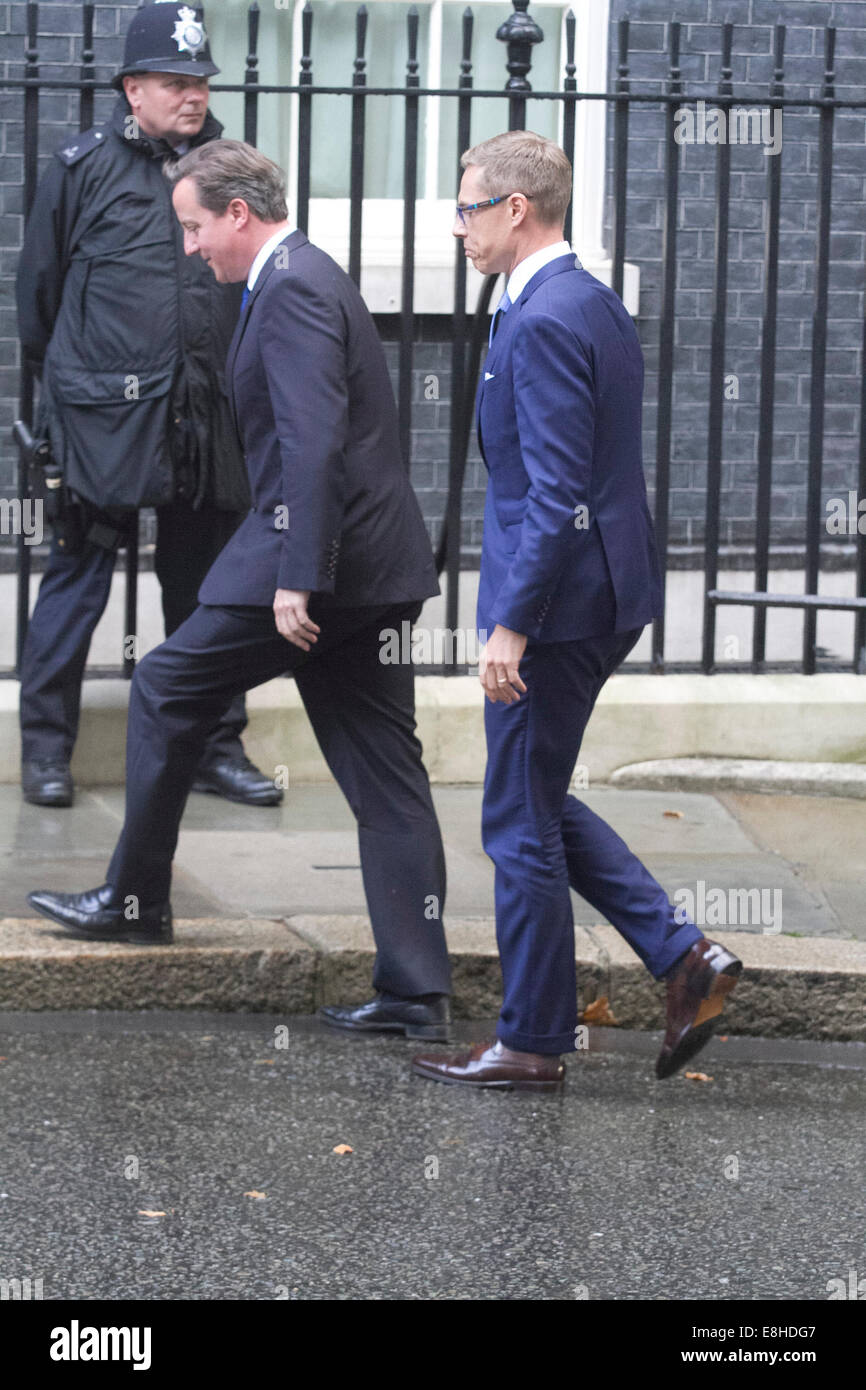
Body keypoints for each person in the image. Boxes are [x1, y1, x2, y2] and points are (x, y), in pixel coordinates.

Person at [27, 139, 453, 1042]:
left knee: (166, 682)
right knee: (386, 777)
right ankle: (416, 994)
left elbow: (313, 440)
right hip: (375, 572)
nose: (189, 248)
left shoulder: (290, 285)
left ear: (236, 214)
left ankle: (135, 900)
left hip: (318, 568)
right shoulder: (308, 270)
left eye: (192, 227)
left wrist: (300, 575)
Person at [412, 131, 742, 1091]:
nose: (461, 226)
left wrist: (510, 622)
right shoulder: (583, 300)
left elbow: (558, 488)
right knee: (539, 797)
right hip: (598, 590)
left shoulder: (548, 317)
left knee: (517, 819)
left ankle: (532, 1042)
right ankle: (683, 958)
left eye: (470, 207)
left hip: (557, 607)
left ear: (518, 209)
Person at [16, 3, 280, 809]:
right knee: (77, 580)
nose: (192, 96)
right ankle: (45, 753)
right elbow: (39, 300)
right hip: (103, 419)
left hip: (206, 417)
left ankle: (213, 747)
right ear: (133, 90)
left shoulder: (233, 171)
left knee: (209, 590)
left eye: (199, 81)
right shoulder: (79, 167)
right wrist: (66, 401)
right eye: (174, 82)